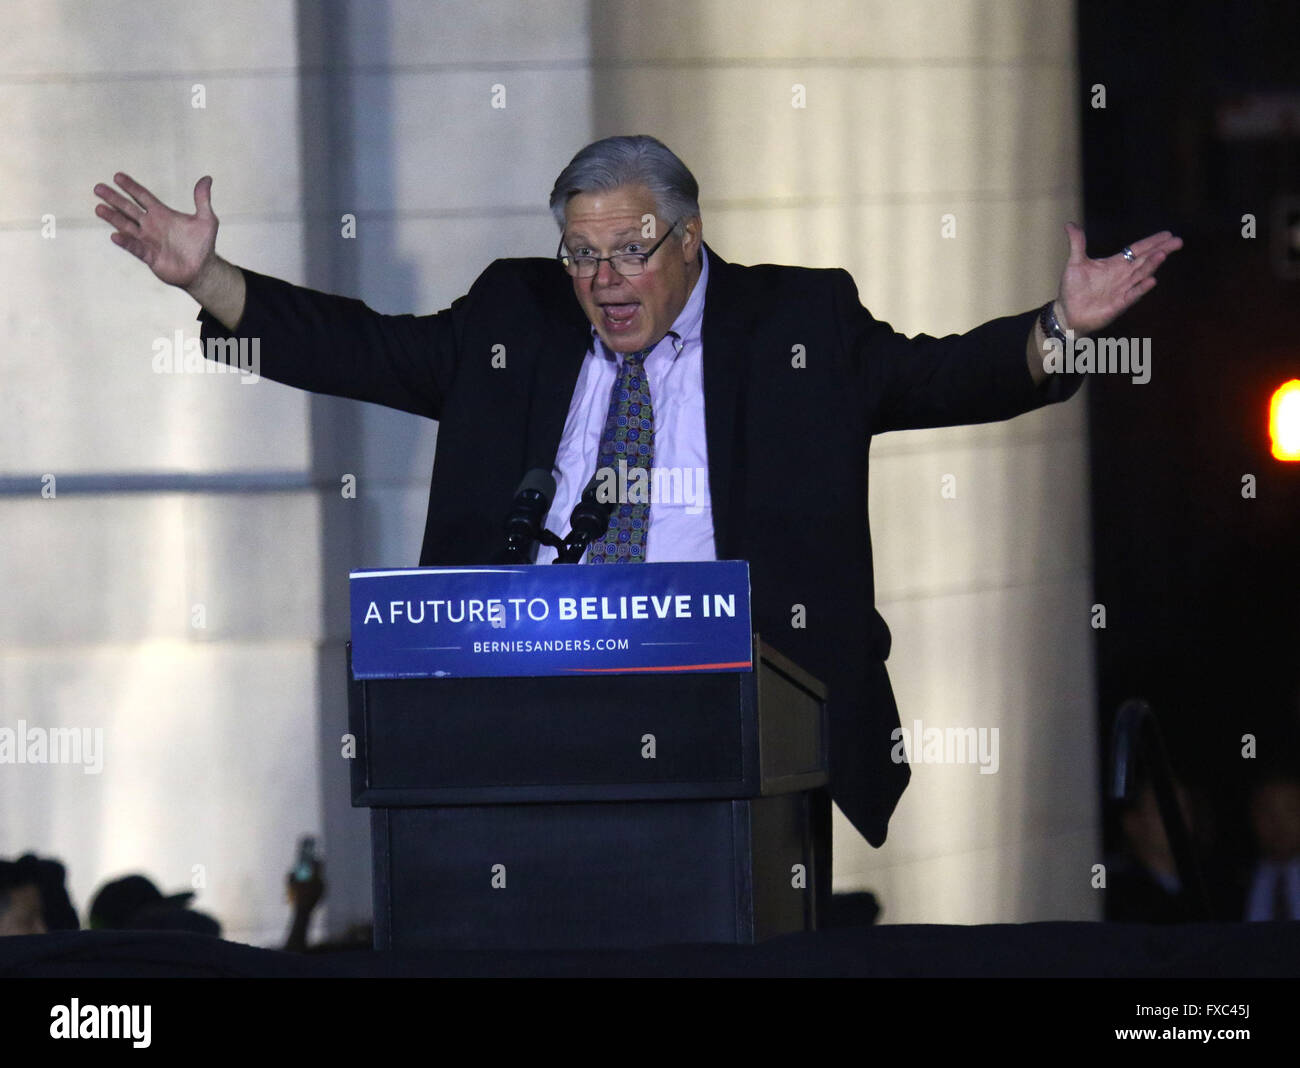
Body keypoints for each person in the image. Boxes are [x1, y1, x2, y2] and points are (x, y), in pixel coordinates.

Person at [93, 135, 1180, 895]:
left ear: (689, 238)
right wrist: (213, 283)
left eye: (628, 249)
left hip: (743, 729)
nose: (602, 278)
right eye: (580, 253)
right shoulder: (510, 315)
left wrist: (1058, 329)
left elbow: (940, 379)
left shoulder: (795, 323)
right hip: (530, 716)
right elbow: (361, 348)